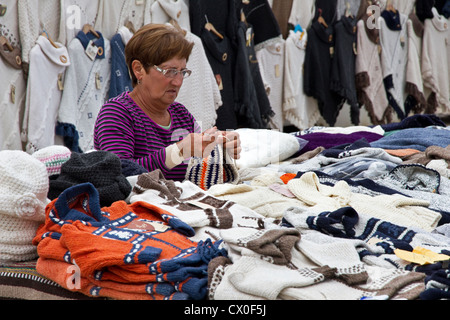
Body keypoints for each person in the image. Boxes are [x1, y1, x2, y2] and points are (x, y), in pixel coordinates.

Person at [93, 23, 241, 182]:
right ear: (138, 70)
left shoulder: (181, 115)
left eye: (182, 72)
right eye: (170, 71)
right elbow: (119, 175)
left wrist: (219, 150)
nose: (178, 82)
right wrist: (179, 152)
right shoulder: (116, 113)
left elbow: (199, 172)